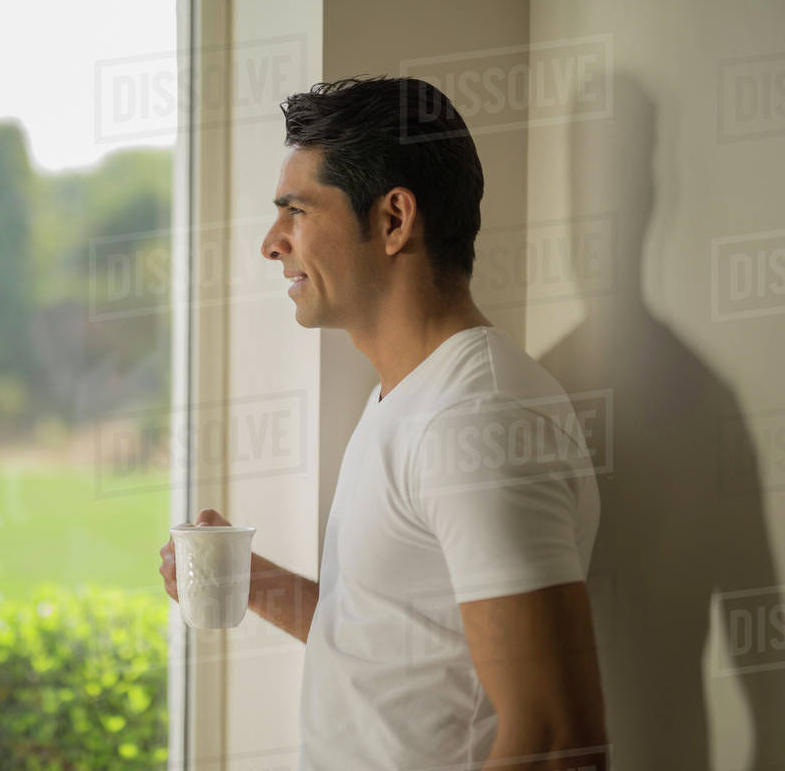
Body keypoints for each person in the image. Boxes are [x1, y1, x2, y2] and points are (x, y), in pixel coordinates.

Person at [158, 76, 608, 770]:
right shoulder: (410, 399)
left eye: (296, 212)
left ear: (395, 220)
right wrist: (254, 584)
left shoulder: (476, 418)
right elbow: (402, 643)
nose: (271, 243)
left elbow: (556, 740)